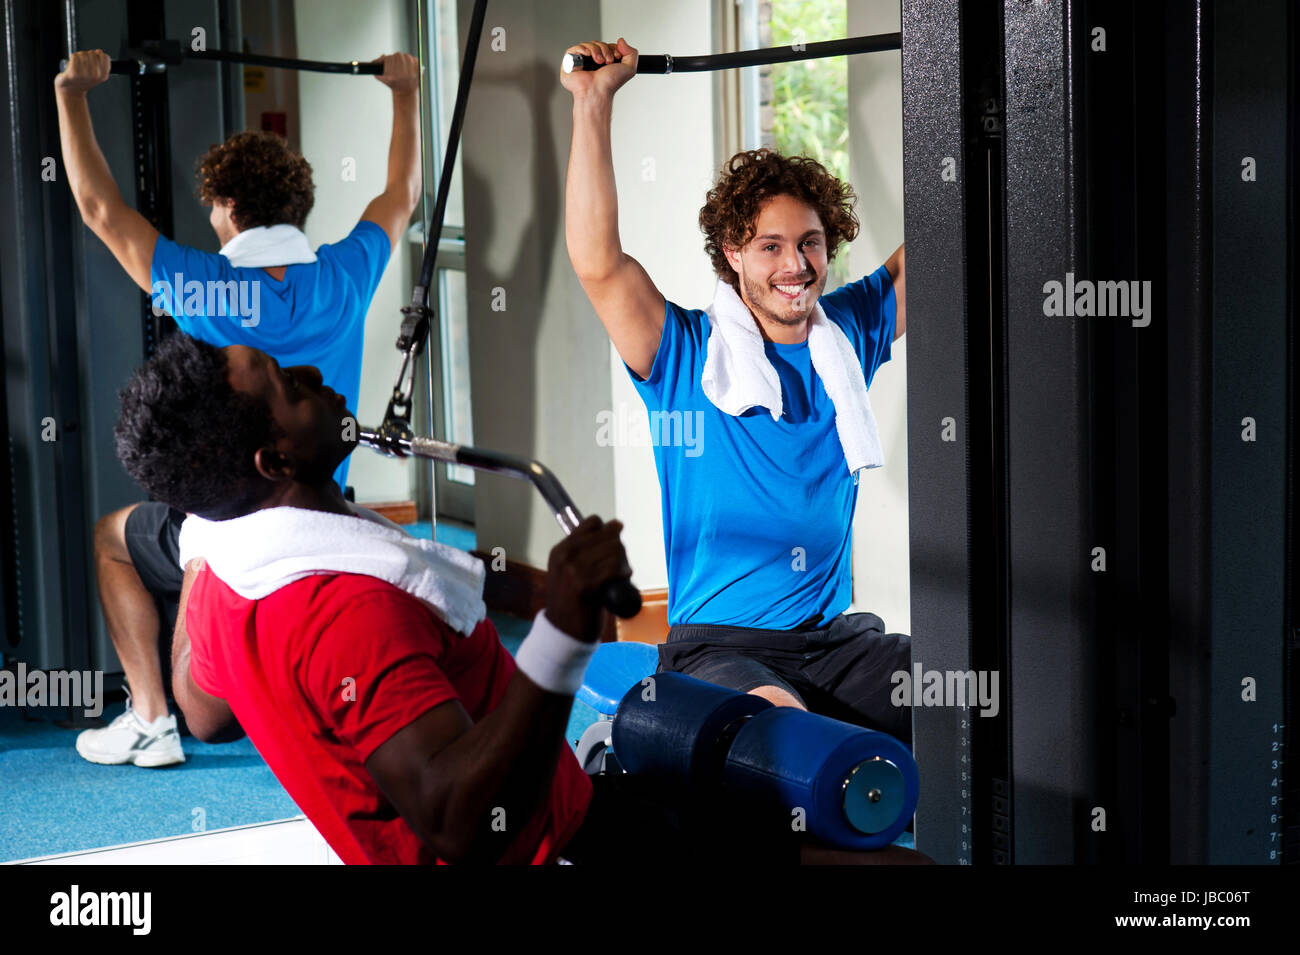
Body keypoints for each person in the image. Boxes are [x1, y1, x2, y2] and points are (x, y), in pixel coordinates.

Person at [113, 335, 929, 865]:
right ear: (272, 459)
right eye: (288, 385)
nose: (314, 375)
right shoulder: (347, 614)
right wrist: (561, 637)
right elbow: (462, 821)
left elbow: (205, 707)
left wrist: (199, 538)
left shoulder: (226, 566)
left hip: (574, 807)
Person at [55, 47, 423, 766]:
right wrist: (406, 93)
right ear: (294, 209)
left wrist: (72, 95)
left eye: (215, 209)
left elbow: (100, 208)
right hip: (326, 508)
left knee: (110, 536)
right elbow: (400, 196)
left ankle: (151, 717)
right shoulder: (343, 277)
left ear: (227, 207)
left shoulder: (204, 286)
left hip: (232, 526)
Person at [562, 38, 910, 741]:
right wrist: (593, 106)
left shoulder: (849, 333)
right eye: (771, 246)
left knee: (975, 684)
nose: (796, 265)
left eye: (810, 242)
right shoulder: (683, 352)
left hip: (839, 645)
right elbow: (597, 261)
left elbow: (942, 240)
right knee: (787, 738)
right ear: (732, 254)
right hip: (719, 649)